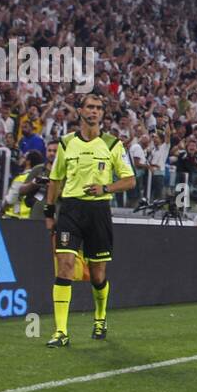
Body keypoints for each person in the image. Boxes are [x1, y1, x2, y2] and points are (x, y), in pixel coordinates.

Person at [43, 93, 136, 347]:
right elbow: (55, 179)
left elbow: (130, 180)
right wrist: (49, 212)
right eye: (90, 107)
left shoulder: (113, 144)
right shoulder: (65, 143)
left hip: (99, 211)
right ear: (80, 111)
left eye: (98, 108)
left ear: (103, 114)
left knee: (97, 274)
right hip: (70, 210)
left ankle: (100, 316)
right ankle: (61, 331)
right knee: (64, 266)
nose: (94, 112)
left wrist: (106, 189)